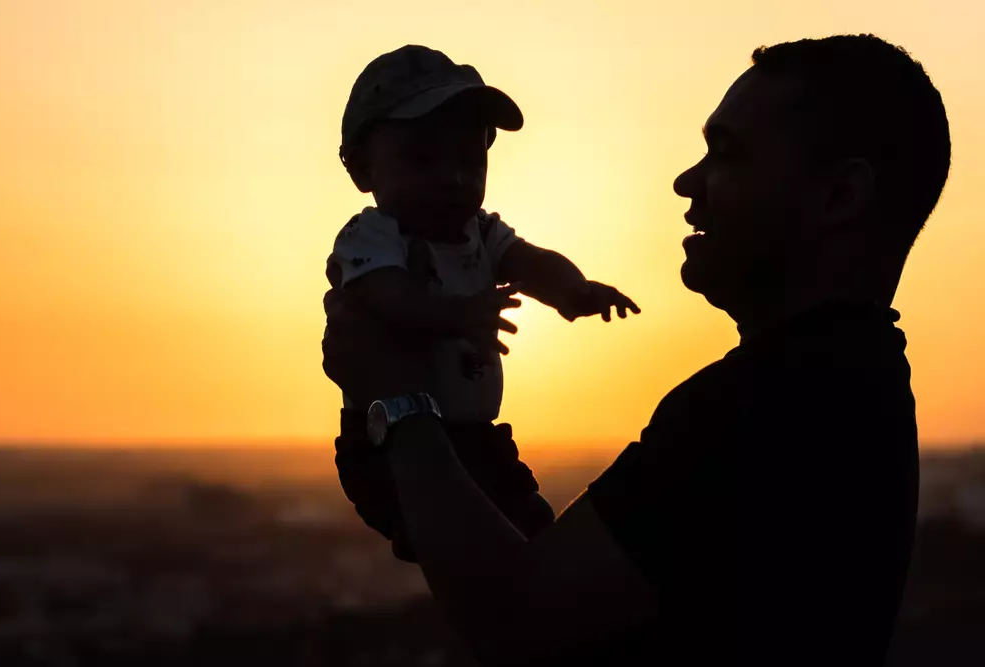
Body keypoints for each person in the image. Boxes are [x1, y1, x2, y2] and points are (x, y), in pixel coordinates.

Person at [322, 34, 951, 666]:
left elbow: (518, 618)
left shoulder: (774, 407)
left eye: (726, 154)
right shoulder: (847, 387)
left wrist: (398, 400)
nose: (686, 181)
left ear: (840, 196)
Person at [328, 44, 640, 562]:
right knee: (456, 537)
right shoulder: (373, 237)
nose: (453, 177)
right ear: (363, 170)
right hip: (383, 443)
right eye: (423, 158)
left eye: (470, 159)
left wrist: (574, 291)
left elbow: (528, 259)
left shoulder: (481, 233)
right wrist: (457, 315)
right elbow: (384, 297)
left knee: (530, 528)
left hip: (476, 437)